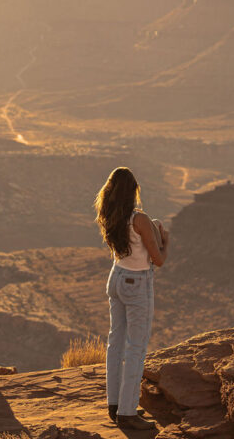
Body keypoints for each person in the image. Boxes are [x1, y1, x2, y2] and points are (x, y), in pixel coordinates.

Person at [95, 167, 169, 430]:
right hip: (137, 283)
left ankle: (114, 405)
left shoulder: (110, 215)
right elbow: (157, 259)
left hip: (116, 278)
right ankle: (127, 412)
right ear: (133, 190)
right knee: (136, 347)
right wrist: (165, 239)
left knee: (115, 343)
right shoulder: (139, 219)